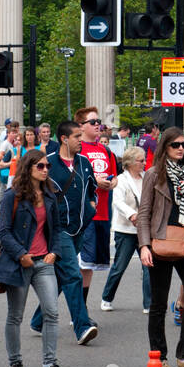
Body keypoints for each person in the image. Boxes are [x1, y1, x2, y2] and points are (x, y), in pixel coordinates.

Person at [138, 127, 184, 367]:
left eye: (183, 145)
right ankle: (159, 355)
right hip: (160, 240)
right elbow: (145, 212)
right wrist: (144, 245)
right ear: (164, 147)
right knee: (158, 302)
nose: (180, 148)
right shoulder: (153, 174)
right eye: (175, 145)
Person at [0, 147, 70, 367]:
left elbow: (57, 229)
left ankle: (49, 364)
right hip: (21, 263)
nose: (46, 169)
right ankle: (15, 362)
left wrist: (55, 252)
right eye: (40, 166)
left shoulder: (50, 195)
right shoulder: (12, 196)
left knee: (52, 311)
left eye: (47, 166)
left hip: (44, 263)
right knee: (15, 316)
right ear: (28, 169)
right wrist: (21, 254)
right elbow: (4, 232)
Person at [38, 120, 98, 345]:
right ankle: (82, 327)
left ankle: (37, 319)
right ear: (64, 139)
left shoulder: (84, 162)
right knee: (73, 275)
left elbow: (92, 190)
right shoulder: (48, 164)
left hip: (79, 227)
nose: (81, 141)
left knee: (63, 277)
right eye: (77, 137)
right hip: (58, 229)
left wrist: (91, 208)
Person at [100, 146, 152, 314]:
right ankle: (107, 297)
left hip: (144, 229)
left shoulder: (147, 177)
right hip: (126, 230)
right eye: (140, 160)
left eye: (144, 160)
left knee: (148, 266)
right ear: (129, 163)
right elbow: (118, 202)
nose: (144, 163)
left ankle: (149, 303)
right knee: (119, 266)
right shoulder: (121, 180)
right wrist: (132, 215)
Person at [75, 106, 117, 306]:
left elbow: (116, 177)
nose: (98, 125)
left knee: (89, 266)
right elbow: (72, 179)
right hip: (84, 215)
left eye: (98, 122)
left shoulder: (105, 150)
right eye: (93, 122)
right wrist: (94, 181)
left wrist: (111, 183)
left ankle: (80, 309)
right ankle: (79, 314)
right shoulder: (76, 149)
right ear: (81, 126)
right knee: (79, 265)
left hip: (103, 213)